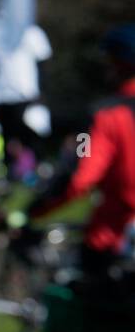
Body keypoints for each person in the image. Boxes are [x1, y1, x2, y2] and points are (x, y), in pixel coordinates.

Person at [31, 25, 135, 279]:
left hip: (116, 237)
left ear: (119, 64)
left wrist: (34, 210)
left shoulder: (107, 115)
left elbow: (80, 176)